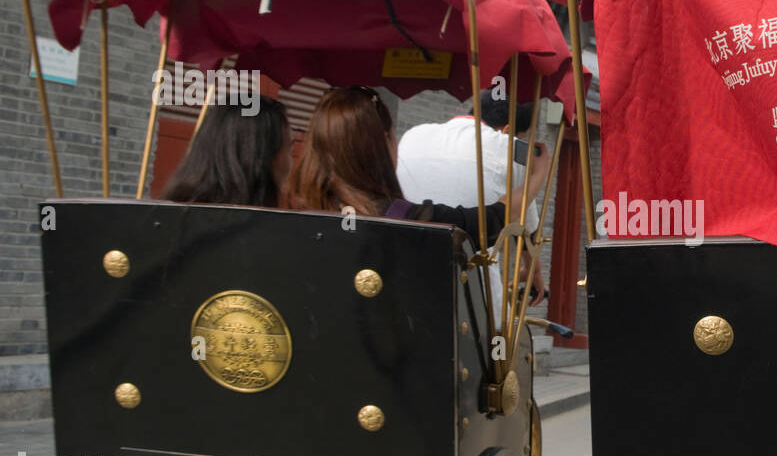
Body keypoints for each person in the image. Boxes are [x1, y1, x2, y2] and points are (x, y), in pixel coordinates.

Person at [290, 86, 545, 246]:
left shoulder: (290, 213)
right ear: (382, 144)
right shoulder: (404, 219)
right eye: (391, 137)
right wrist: (539, 174)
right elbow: (486, 223)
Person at [398, 91, 549, 305]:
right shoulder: (509, 147)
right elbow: (524, 228)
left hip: (401, 271)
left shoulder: (413, 134)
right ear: (507, 131)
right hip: (470, 293)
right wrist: (533, 271)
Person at [163, 98, 291, 207]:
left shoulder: (167, 220)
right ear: (263, 158)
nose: (291, 163)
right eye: (288, 148)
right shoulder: (270, 231)